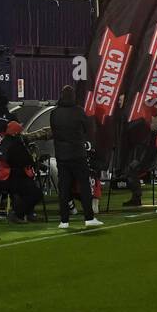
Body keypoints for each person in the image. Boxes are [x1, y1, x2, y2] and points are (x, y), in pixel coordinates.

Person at [50, 85, 102, 228]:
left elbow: (54, 132)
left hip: (61, 155)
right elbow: (87, 129)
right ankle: (89, 218)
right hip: (78, 154)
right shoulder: (78, 111)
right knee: (84, 186)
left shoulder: (55, 113)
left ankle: (64, 220)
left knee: (64, 188)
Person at [0, 122, 43, 222]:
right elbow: (25, 161)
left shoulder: (5, 142)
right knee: (36, 193)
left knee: (30, 187)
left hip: (5, 178)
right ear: (15, 133)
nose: (21, 134)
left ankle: (29, 213)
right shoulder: (15, 144)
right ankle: (17, 213)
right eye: (20, 132)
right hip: (13, 178)